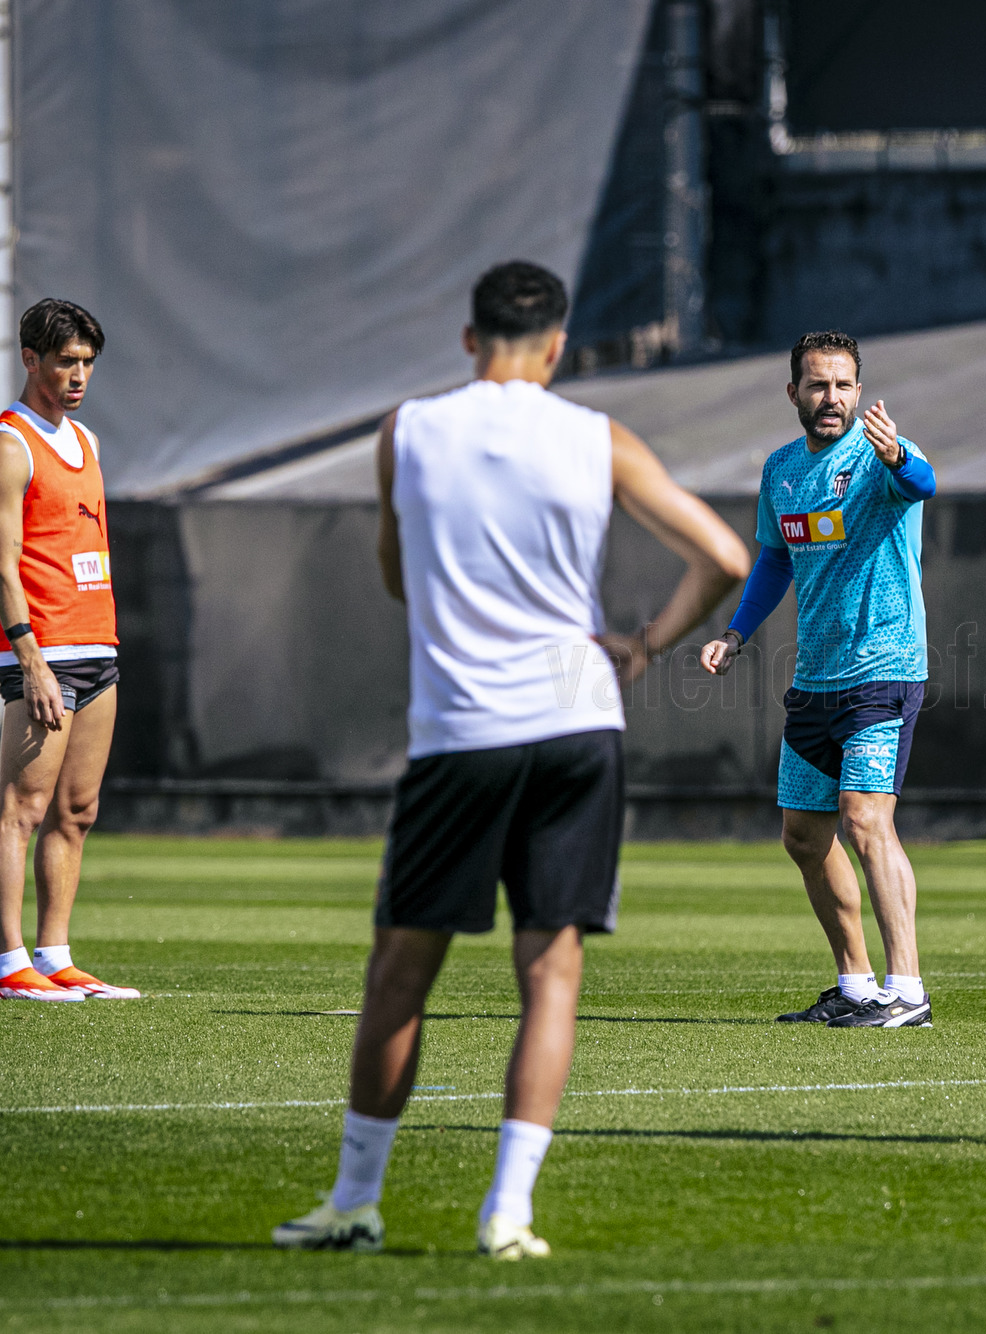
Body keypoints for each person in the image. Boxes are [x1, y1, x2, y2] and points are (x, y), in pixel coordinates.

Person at [273, 261, 749, 1259]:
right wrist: (643, 645)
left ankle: (356, 1199)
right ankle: (508, 1213)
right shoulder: (597, 438)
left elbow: (397, 572)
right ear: (556, 346)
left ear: (468, 337)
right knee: (551, 972)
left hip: (464, 722)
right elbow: (725, 558)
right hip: (578, 714)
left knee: (400, 971)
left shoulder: (406, 429)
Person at [699, 331, 938, 1028]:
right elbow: (774, 560)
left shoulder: (885, 453)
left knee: (866, 821)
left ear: (859, 391)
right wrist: (736, 632)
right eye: (817, 385)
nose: (830, 398)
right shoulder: (780, 471)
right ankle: (857, 985)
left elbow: (921, 482)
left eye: (842, 385)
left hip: (883, 670)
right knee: (803, 835)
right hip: (816, 680)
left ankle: (908, 990)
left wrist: (898, 455)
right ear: (794, 392)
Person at [0, 299, 138, 1002]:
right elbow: (2, 564)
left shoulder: (87, 441)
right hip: (42, 651)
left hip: (97, 641)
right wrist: (28, 655)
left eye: (87, 363)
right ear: (30, 359)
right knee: (23, 807)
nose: (77, 375)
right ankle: (12, 967)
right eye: (65, 360)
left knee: (78, 810)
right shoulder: (7, 444)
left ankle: (56, 954)